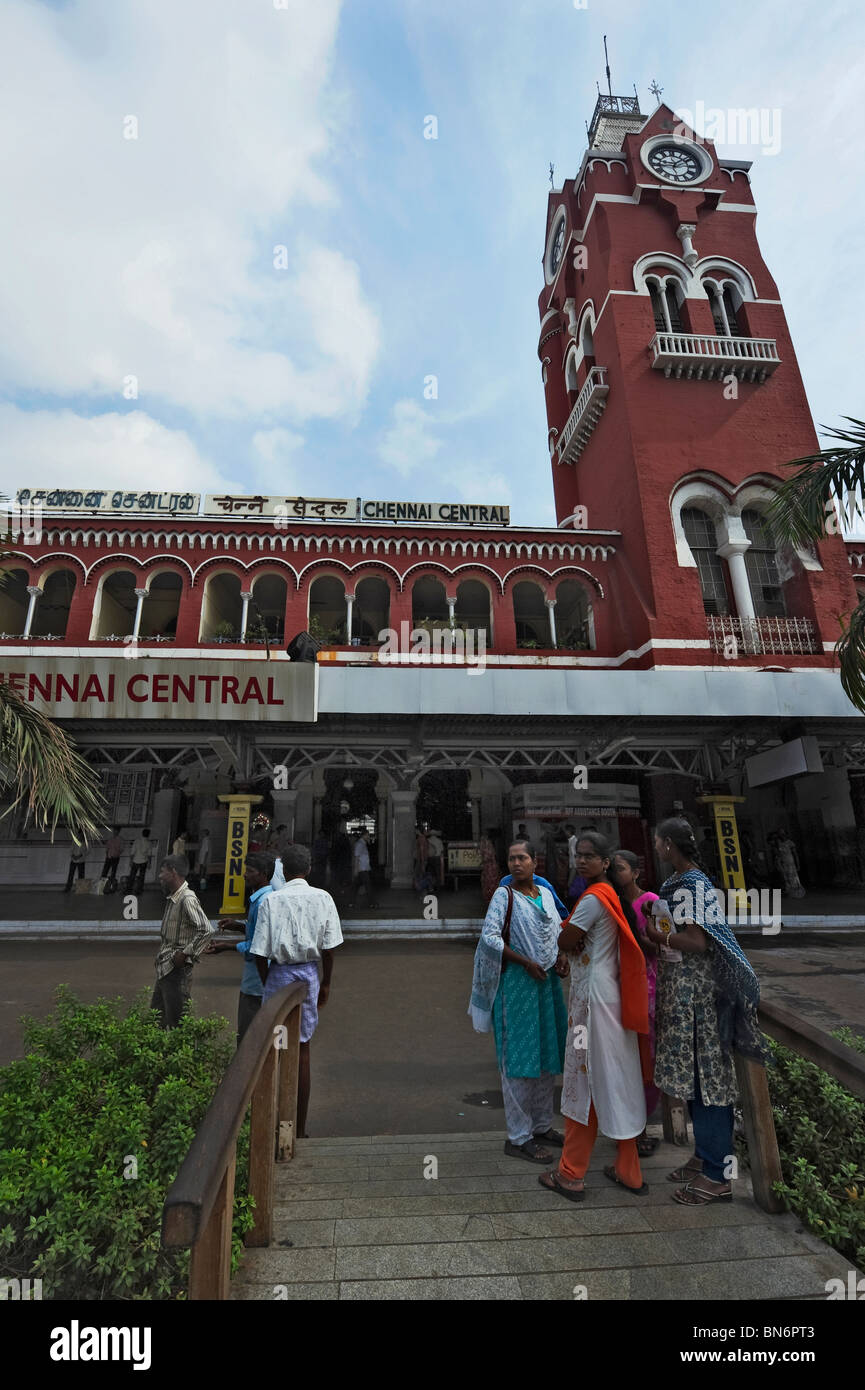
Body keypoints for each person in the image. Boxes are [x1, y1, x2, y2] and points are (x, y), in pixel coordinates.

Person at [645, 816, 765, 1206]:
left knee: (709, 1081)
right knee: (695, 1080)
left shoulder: (692, 884)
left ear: (667, 846)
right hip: (683, 994)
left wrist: (657, 935)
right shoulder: (681, 883)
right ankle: (704, 1157)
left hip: (698, 999)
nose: (658, 848)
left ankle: (718, 1175)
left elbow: (697, 941)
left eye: (659, 842)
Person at [539, 831, 650, 1202]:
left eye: (590, 856)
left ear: (606, 862)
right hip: (612, 997)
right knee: (619, 1079)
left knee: (581, 1081)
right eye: (579, 855)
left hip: (593, 1002)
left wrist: (564, 940)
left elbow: (566, 940)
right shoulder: (612, 896)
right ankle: (628, 1170)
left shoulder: (592, 898)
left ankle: (570, 1174)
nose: (581, 861)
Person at [469, 839, 569, 1164]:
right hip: (516, 986)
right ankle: (518, 1137)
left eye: (522, 858)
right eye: (511, 859)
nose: (516, 864)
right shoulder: (504, 895)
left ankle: (541, 1126)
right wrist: (525, 961)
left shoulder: (545, 895)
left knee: (544, 1056)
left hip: (547, 984)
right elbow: (490, 937)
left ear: (535, 861)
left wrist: (562, 956)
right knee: (517, 1060)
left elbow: (557, 931)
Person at [250, 843, 343, 1138]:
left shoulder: (271, 901)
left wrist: (269, 983)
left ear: (284, 871)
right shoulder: (323, 898)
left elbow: (259, 953)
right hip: (308, 976)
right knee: (302, 1050)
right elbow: (328, 950)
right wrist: (326, 983)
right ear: (309, 869)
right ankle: (298, 1129)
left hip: (278, 975)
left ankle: (273, 1124)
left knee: (275, 1051)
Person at [611, 849, 660, 1156]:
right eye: (612, 868)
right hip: (615, 988)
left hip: (647, 988)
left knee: (647, 1060)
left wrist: (630, 930)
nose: (616, 874)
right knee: (622, 1059)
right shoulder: (609, 901)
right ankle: (624, 1126)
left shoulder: (652, 902)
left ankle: (640, 1128)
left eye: (621, 868)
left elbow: (662, 947)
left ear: (637, 872)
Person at [207, 851, 275, 1044]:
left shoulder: (263, 903)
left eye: (250, 870)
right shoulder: (264, 899)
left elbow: (258, 946)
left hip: (256, 983)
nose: (244, 874)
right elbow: (257, 932)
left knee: (248, 1037)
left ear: (263, 874)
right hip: (258, 979)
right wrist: (238, 926)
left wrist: (227, 947)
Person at [150, 854, 214, 1029]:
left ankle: (183, 1054)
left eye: (162, 872)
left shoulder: (187, 899)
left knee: (178, 1022)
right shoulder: (174, 897)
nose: (160, 876)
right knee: (157, 1017)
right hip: (165, 967)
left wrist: (186, 952)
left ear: (173, 871)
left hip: (175, 970)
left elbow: (206, 930)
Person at [773, 830, 806, 898]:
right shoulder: (779, 844)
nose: (781, 835)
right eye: (780, 834)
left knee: (793, 878)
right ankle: (790, 892)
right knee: (786, 878)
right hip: (784, 863)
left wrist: (798, 864)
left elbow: (795, 854)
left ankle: (797, 893)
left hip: (791, 863)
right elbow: (778, 855)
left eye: (783, 834)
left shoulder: (790, 843)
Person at [352, 829, 373, 906]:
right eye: (368, 835)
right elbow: (357, 857)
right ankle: (371, 902)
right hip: (362, 869)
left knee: (355, 886)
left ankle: (351, 901)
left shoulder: (363, 844)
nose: (368, 837)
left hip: (363, 869)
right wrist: (356, 869)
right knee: (368, 886)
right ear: (364, 835)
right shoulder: (360, 844)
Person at [479, 831, 500, 906]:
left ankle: (489, 898)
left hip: (489, 867)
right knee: (490, 882)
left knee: (488, 883)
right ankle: (491, 898)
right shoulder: (489, 844)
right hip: (490, 867)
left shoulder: (486, 845)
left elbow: (487, 857)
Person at [129, 827, 152, 895]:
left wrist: (130, 861)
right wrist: (149, 863)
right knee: (141, 877)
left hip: (135, 860)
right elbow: (149, 855)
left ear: (142, 834)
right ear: (148, 835)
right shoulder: (149, 843)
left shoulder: (136, 841)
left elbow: (132, 852)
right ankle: (139, 890)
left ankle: (129, 889)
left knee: (132, 876)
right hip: (144, 862)